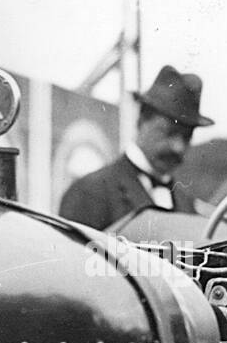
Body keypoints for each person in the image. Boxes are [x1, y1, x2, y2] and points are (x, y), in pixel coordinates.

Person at [59, 64, 213, 229]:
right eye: (170, 132)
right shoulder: (89, 193)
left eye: (186, 137)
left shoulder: (188, 208)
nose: (178, 148)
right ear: (142, 120)